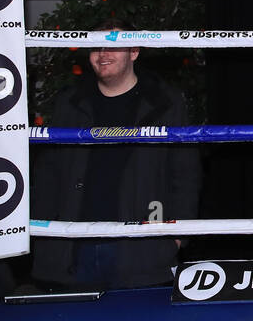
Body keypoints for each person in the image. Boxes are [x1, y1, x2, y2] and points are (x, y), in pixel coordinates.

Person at [30, 21, 200, 290]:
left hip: (141, 250)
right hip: (74, 247)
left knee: (141, 317)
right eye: (95, 47)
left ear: (134, 52)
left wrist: (177, 237)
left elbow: (185, 173)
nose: (102, 54)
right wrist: (42, 232)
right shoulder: (70, 102)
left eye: (113, 46)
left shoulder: (165, 103)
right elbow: (47, 173)